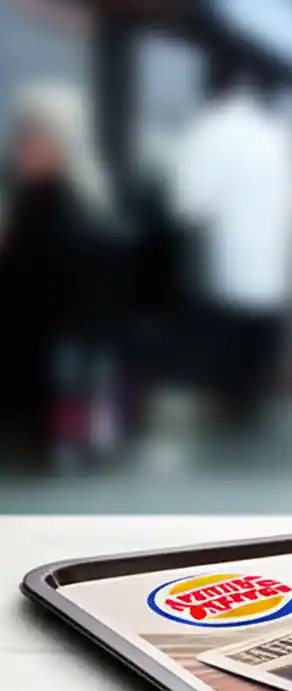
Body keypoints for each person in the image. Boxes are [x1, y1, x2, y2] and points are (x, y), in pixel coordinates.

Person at [169, 73, 292, 419]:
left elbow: (189, 203)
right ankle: (249, 400)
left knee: (224, 353)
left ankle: (224, 402)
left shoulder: (210, 131)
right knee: (253, 359)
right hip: (272, 271)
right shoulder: (276, 135)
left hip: (224, 272)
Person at [0, 84, 116, 465]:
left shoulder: (49, 203)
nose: (23, 150)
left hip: (47, 344)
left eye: (31, 139)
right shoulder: (84, 195)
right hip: (58, 342)